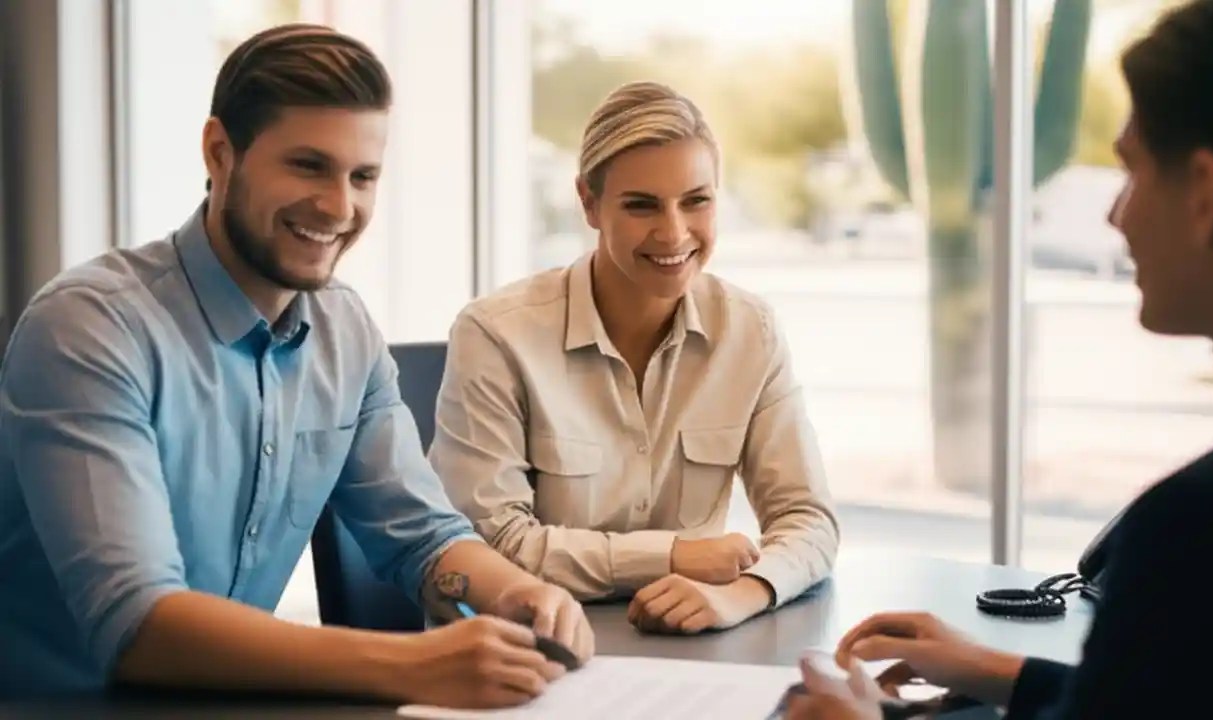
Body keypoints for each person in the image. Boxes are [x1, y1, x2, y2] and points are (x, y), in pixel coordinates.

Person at [0, 24, 593, 707]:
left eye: (362, 176)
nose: (340, 208)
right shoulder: (89, 327)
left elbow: (424, 538)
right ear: (220, 152)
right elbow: (137, 623)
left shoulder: (344, 331)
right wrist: (415, 662)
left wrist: (519, 593)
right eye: (309, 166)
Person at [783, 0, 1213, 717]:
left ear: (1206, 193)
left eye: (1132, 172)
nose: (1117, 216)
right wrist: (1004, 672)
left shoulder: (1204, 528)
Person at [429, 81, 839, 634]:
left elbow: (808, 518)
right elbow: (489, 545)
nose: (673, 233)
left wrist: (744, 594)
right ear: (589, 203)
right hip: (526, 646)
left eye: (696, 201)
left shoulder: (751, 330)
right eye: (641, 205)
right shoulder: (496, 334)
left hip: (690, 650)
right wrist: (671, 557)